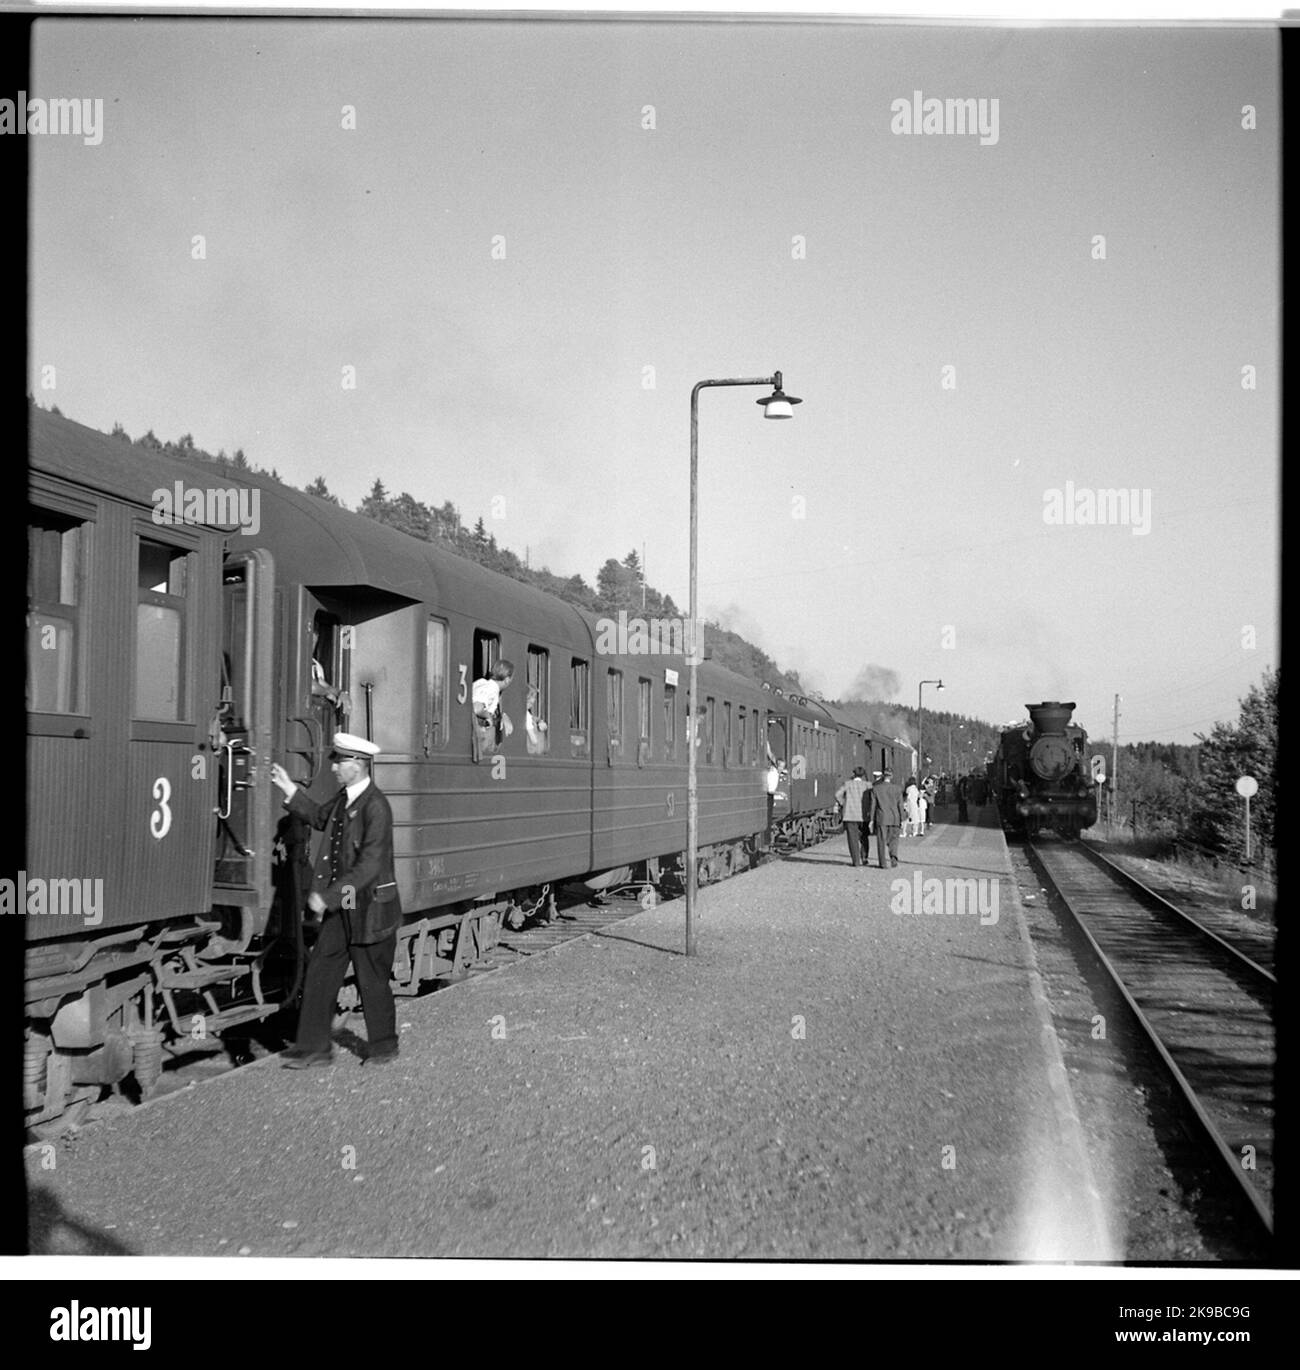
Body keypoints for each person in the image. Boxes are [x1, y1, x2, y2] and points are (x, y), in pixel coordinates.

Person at [269, 733, 402, 1068]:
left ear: (357, 765)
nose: (333, 767)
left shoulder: (376, 807)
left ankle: (384, 1047)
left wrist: (328, 899)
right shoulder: (344, 799)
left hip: (370, 909)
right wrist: (290, 791)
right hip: (345, 905)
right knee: (321, 972)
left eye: (339, 761)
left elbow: (368, 868)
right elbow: (318, 818)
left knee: (372, 980)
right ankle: (314, 1049)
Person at [472, 659, 514, 746]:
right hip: (478, 737)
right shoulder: (492, 690)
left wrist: (501, 716)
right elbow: (477, 708)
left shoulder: (481, 682)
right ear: (507, 679)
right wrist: (488, 717)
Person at [834, 766, 870, 867]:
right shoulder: (867, 785)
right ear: (863, 775)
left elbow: (837, 794)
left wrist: (843, 803)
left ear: (854, 774)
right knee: (864, 837)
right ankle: (864, 857)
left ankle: (856, 861)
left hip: (850, 815)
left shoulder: (847, 784)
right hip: (863, 816)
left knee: (852, 839)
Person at [871, 769, 906, 868]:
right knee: (894, 840)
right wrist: (902, 818)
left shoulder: (876, 789)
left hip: (882, 818)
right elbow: (900, 805)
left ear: (883, 776)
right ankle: (893, 858)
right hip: (895, 818)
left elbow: (873, 805)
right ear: (891, 776)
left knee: (881, 840)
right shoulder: (897, 789)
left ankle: (882, 863)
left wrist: (871, 819)